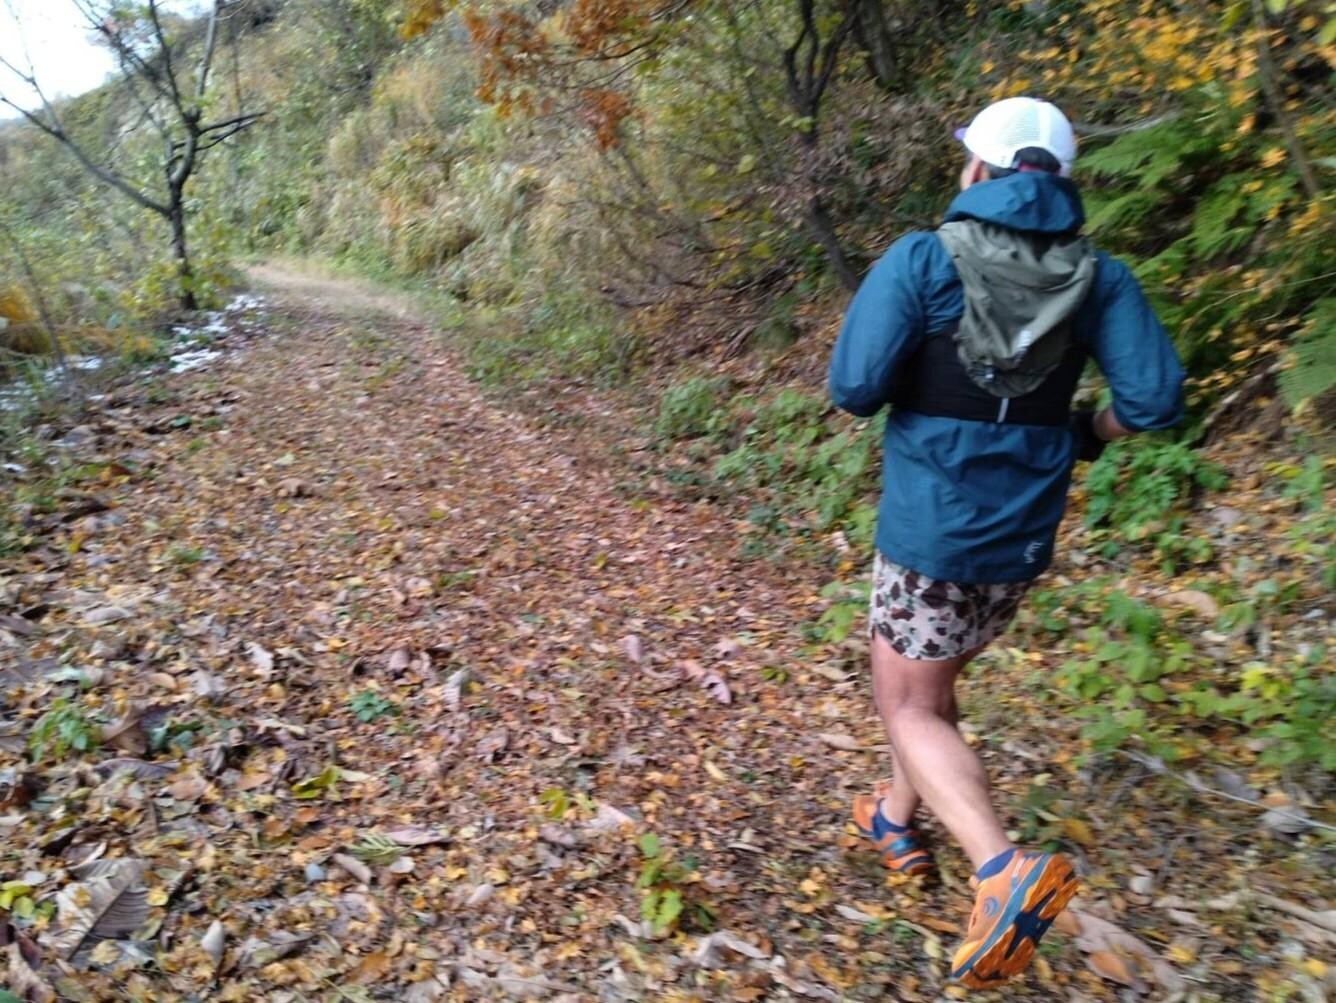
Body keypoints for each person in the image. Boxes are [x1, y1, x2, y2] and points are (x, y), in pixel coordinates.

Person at [827, 96, 1184, 990]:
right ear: (1059, 180)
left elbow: (854, 386)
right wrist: (1084, 432)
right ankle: (896, 818)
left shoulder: (924, 258)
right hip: (1023, 534)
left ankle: (1001, 868)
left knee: (905, 703)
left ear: (977, 172)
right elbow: (1153, 403)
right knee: (936, 683)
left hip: (929, 529)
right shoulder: (1100, 278)